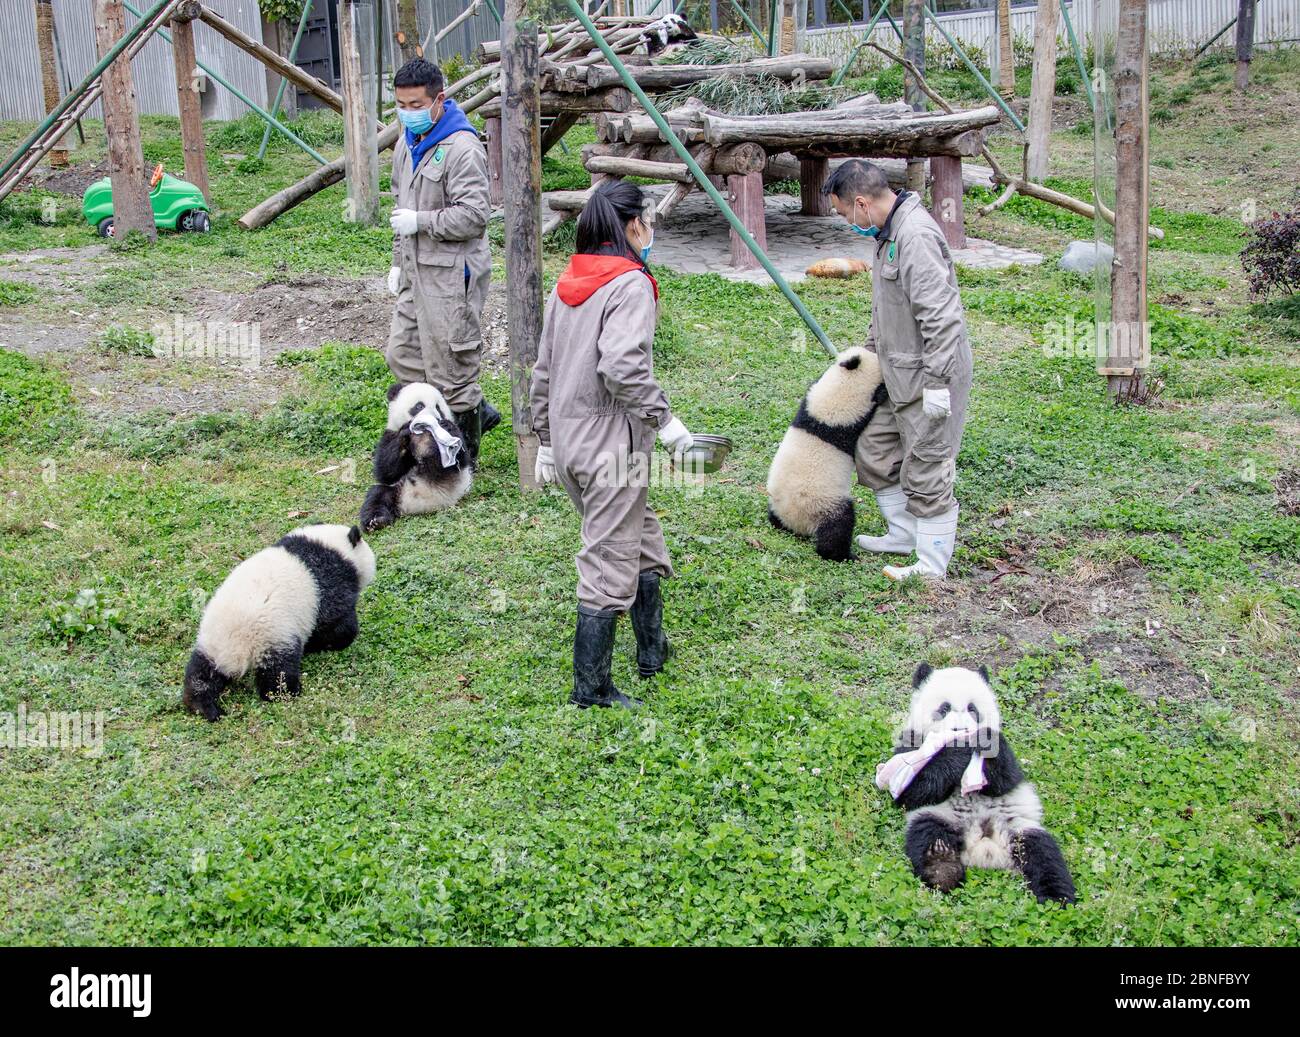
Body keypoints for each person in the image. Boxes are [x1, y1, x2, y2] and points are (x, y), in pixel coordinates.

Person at [531, 180, 695, 709]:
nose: (650, 228)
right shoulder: (629, 285)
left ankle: (652, 650)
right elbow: (623, 365)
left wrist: (547, 441)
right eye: (646, 219)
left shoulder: (568, 283)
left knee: (638, 533)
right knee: (607, 557)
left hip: (572, 444)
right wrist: (665, 422)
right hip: (611, 448)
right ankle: (591, 689)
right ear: (630, 226)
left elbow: (543, 371)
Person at [822, 159, 973, 581]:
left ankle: (931, 565)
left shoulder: (916, 236)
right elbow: (885, 312)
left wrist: (939, 383)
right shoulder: (887, 235)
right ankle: (904, 533)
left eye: (843, 213)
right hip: (896, 371)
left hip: (930, 376)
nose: (845, 221)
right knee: (873, 445)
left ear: (861, 203)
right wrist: (866, 360)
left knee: (928, 461)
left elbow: (941, 318)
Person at [386, 58, 499, 464]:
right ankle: (453, 423)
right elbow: (402, 209)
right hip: (416, 271)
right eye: (401, 103)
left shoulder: (462, 148)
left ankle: (464, 456)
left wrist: (422, 222)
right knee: (403, 355)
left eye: (415, 104)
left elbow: (474, 216)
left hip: (453, 274)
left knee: (452, 365)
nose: (407, 111)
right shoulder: (406, 143)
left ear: (439, 100)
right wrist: (399, 260)